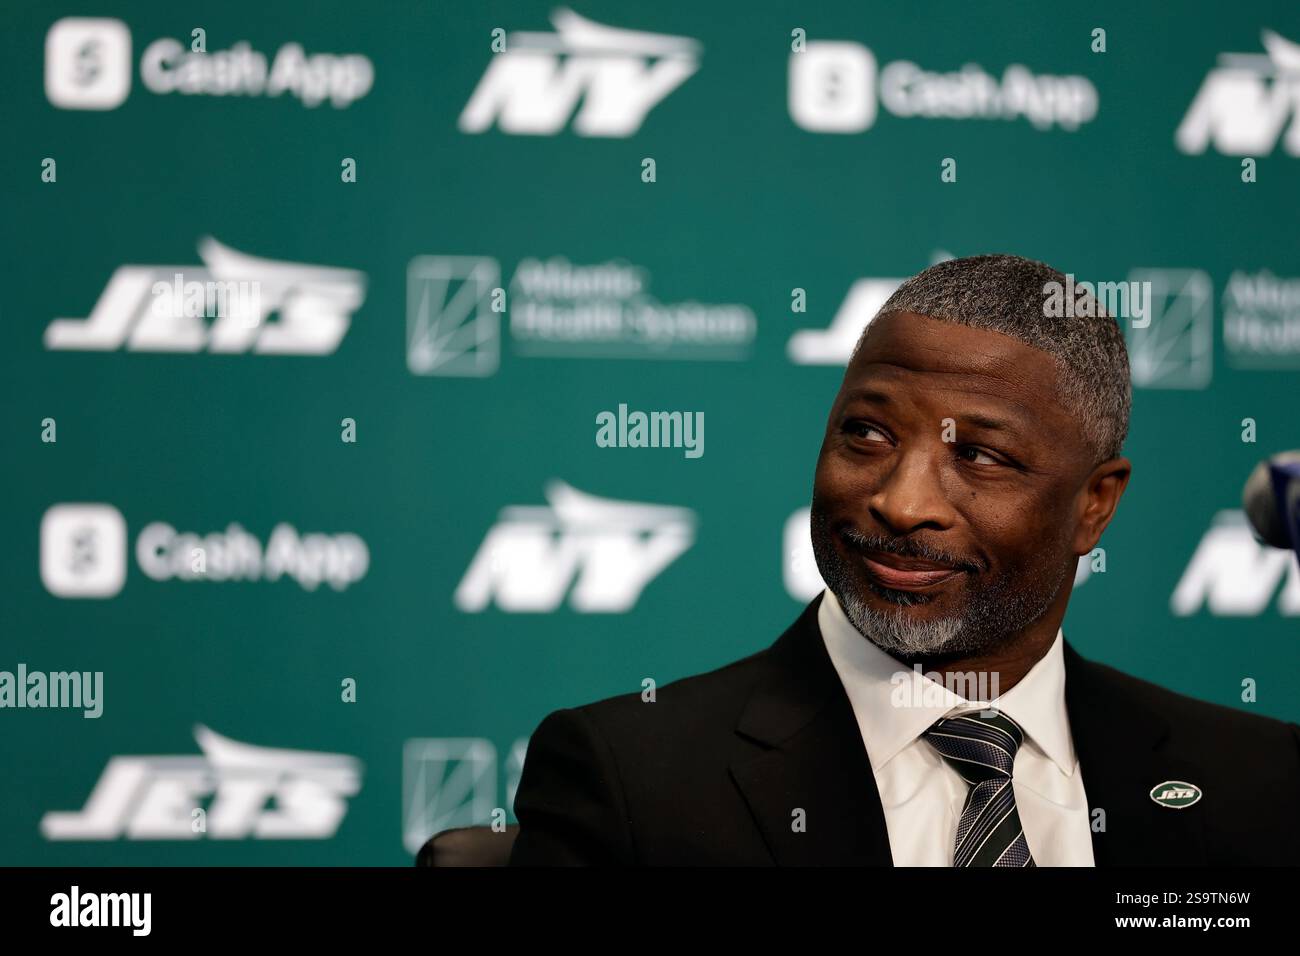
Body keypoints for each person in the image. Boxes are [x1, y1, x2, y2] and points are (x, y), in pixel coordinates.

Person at [507, 254, 1300, 866]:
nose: (901, 500)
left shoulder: (1257, 783)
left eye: (982, 456)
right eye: (868, 434)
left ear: (1094, 505)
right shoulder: (632, 780)